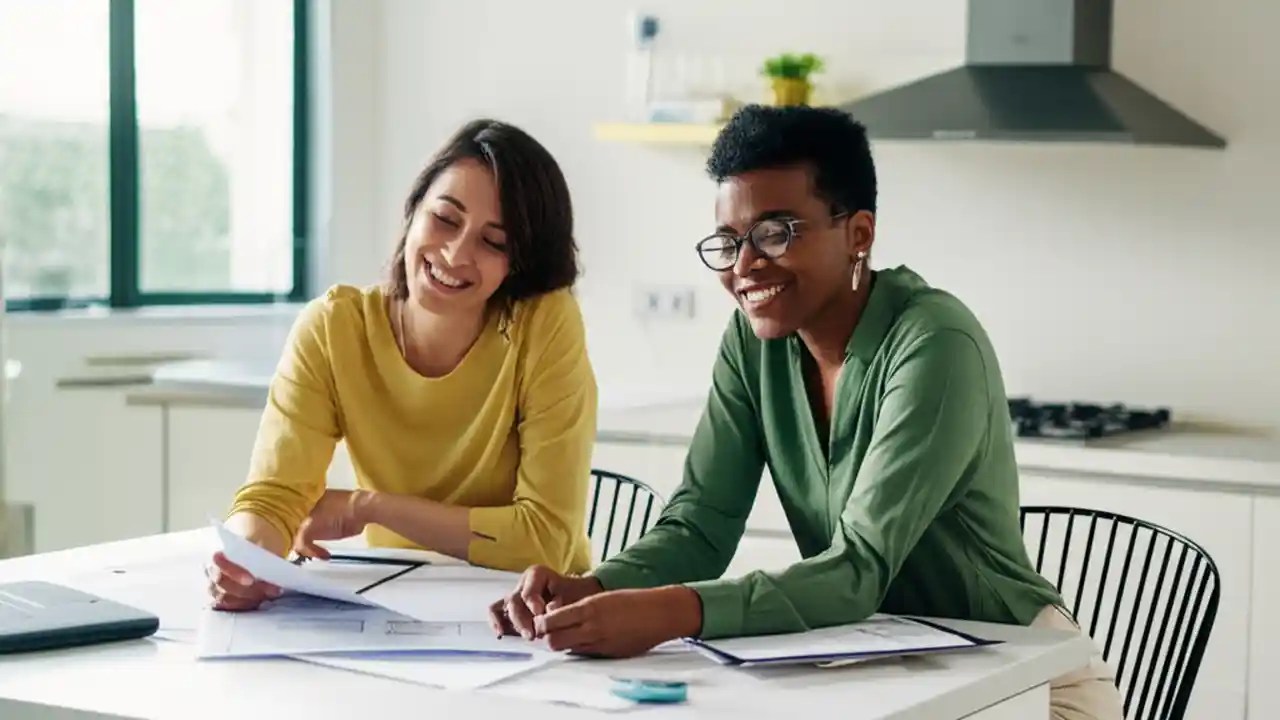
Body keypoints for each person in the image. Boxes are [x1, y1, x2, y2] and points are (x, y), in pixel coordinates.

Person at [489, 105, 1123, 720]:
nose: (745, 266)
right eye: (730, 241)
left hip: (1024, 682)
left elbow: (857, 570)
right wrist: (594, 589)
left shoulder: (934, 343)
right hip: (890, 667)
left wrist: (666, 612)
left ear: (858, 234)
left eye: (776, 234)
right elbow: (701, 524)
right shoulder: (753, 344)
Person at [206, 118, 598, 611]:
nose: (455, 253)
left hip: (529, 607)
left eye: (493, 242)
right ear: (413, 211)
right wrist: (245, 562)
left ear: (518, 263)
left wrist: (368, 508)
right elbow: (272, 499)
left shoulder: (544, 323)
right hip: (395, 599)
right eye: (446, 219)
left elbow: (547, 542)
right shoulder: (334, 328)